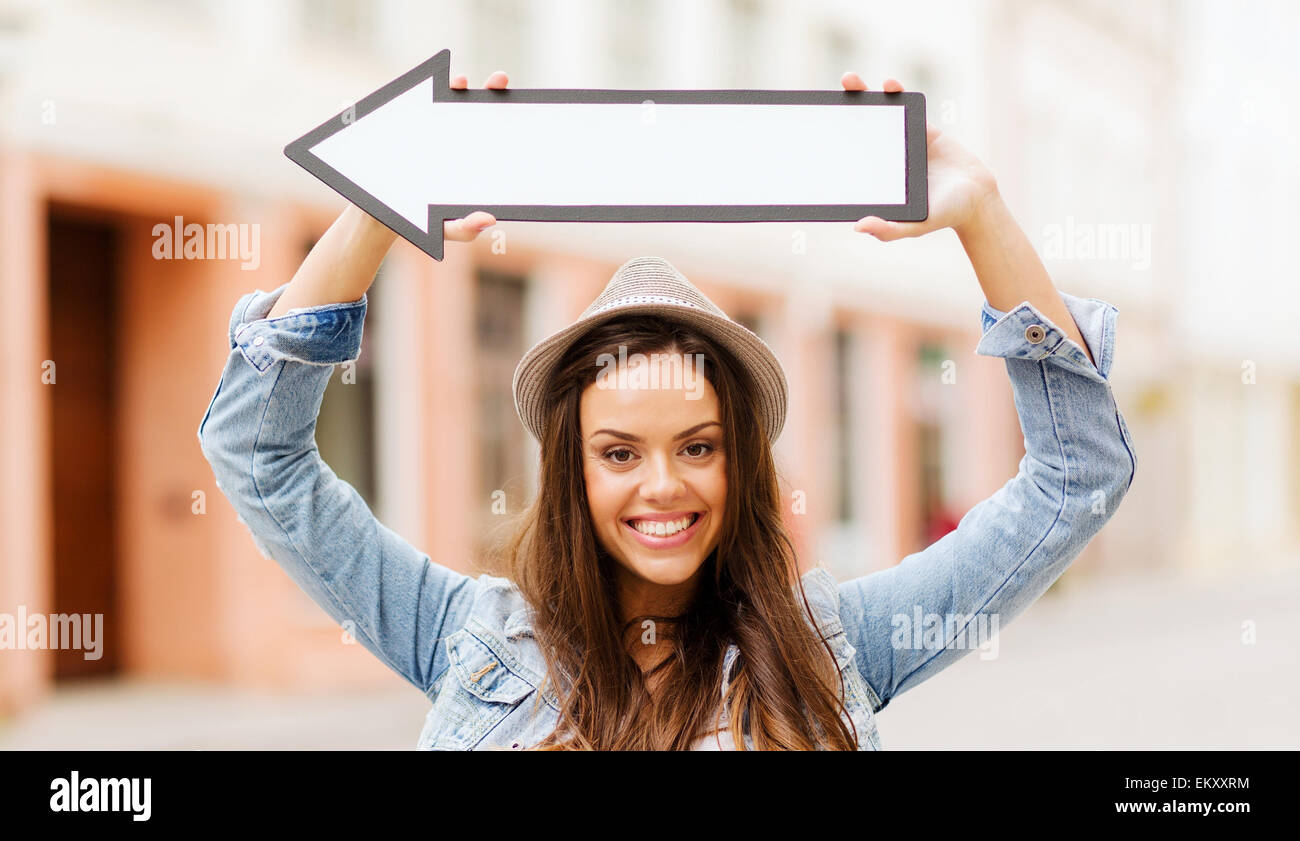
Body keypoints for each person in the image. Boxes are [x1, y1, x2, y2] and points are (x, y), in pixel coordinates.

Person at [197, 70, 1137, 750]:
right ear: (572, 468)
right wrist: (376, 208)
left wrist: (983, 215)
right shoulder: (461, 635)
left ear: (745, 461)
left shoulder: (836, 646)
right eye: (617, 452)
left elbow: (1075, 478)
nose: (662, 485)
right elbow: (256, 452)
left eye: (698, 444)